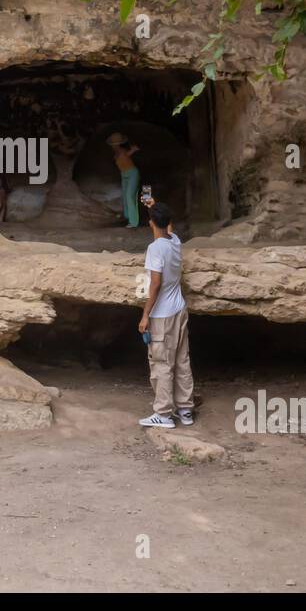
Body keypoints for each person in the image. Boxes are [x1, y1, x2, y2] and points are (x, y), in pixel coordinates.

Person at [136, 202, 194, 428]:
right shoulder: (175, 241)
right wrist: (155, 205)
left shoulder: (155, 249)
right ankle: (186, 410)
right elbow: (167, 226)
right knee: (182, 360)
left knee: (161, 364)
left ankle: (163, 414)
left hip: (162, 315)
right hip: (179, 310)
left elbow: (156, 283)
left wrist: (145, 314)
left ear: (150, 223)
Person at [106, 132, 142, 228]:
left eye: (116, 144)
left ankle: (134, 222)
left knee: (130, 196)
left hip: (132, 174)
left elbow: (128, 153)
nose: (114, 146)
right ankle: (128, 217)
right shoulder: (117, 152)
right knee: (126, 197)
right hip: (124, 174)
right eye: (114, 144)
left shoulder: (123, 151)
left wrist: (133, 149)